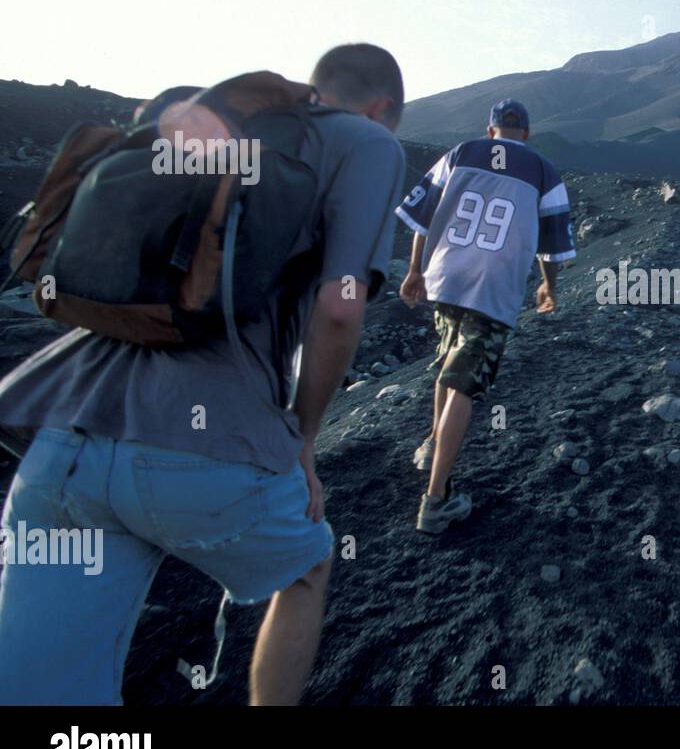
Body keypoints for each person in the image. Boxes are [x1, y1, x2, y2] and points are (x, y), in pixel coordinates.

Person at [0, 43, 408, 705]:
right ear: (381, 107)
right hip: (201, 447)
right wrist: (303, 437)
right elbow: (339, 306)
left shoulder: (227, 123)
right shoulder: (368, 142)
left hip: (63, 442)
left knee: (44, 697)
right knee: (307, 565)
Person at [398, 99, 575, 534]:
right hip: (491, 288)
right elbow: (551, 244)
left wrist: (414, 271)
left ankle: (432, 445)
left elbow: (421, 219)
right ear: (527, 134)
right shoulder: (543, 171)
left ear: (490, 129)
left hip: (445, 278)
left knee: (446, 364)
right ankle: (437, 499)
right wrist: (548, 285)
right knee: (464, 383)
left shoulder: (459, 153)